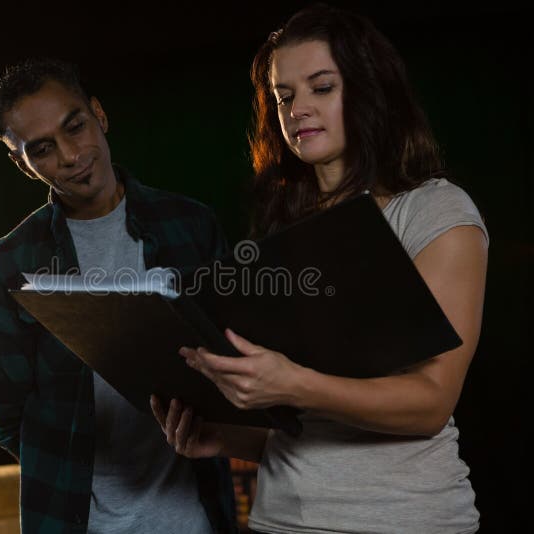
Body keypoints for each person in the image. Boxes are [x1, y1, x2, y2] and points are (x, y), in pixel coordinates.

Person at [151, 4, 488, 533]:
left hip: (405, 519)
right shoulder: (290, 234)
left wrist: (291, 383)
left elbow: (430, 403)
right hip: (281, 520)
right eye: (284, 96)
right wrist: (225, 438)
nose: (296, 110)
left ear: (368, 89)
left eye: (321, 87)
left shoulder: (435, 212)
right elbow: (309, 426)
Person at [0, 58, 237, 534]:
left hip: (195, 517)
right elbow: (9, 419)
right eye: (44, 149)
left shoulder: (192, 226)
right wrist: (68, 465)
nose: (71, 156)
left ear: (99, 114)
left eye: (76, 127)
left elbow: (233, 362)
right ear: (22, 164)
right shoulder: (7, 267)